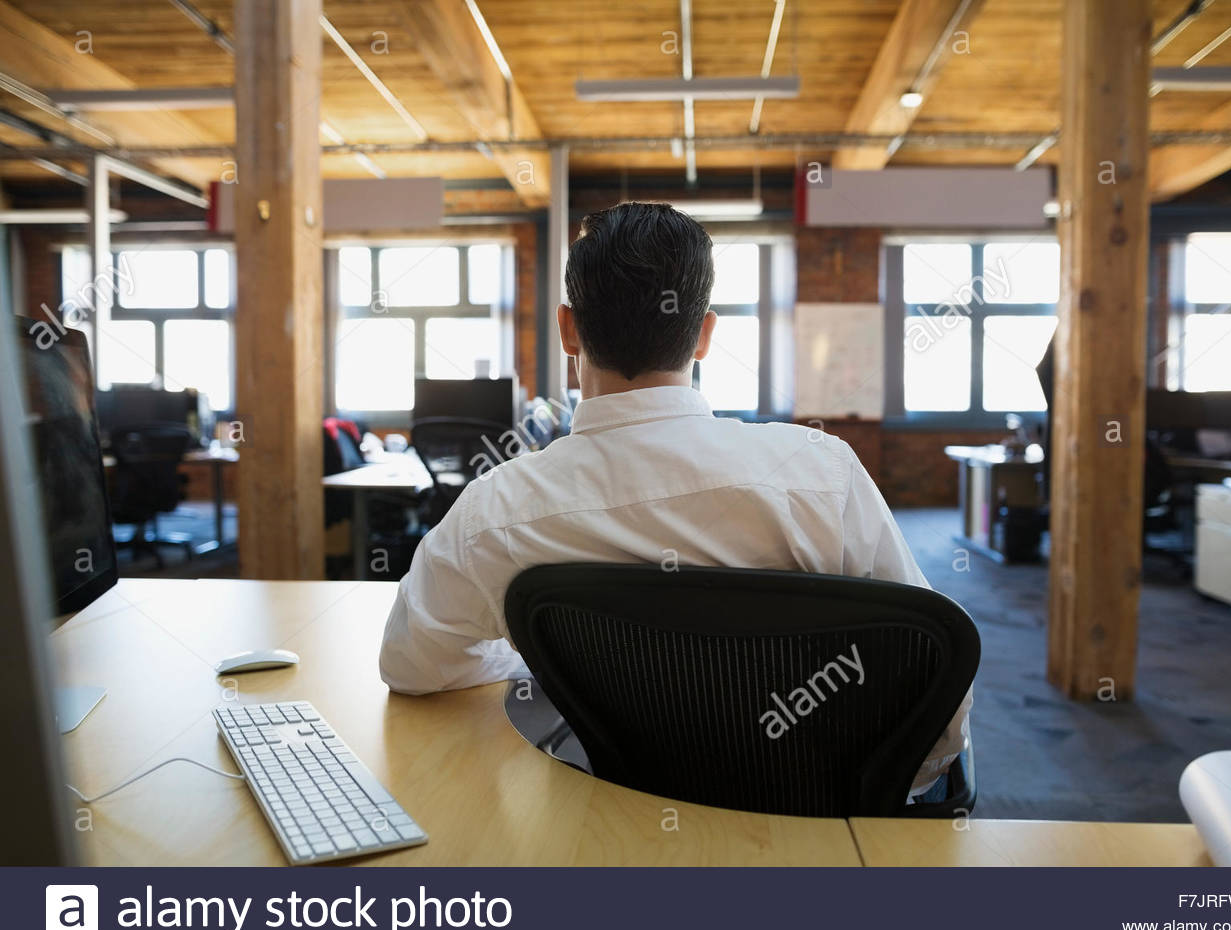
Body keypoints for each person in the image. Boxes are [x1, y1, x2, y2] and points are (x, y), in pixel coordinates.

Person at [379, 201, 972, 797]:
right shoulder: (821, 474)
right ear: (705, 334)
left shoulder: (495, 512)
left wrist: (535, 656)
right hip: (819, 818)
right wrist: (879, 787)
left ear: (567, 329)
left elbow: (411, 665)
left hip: (605, 820)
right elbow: (933, 685)